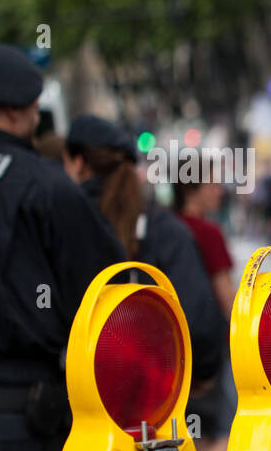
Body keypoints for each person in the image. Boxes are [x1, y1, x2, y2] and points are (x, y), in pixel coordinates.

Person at [0, 47, 123, 451]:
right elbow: (109, 295)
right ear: (13, 110)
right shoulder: (47, 188)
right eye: (31, 108)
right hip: (25, 429)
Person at [63, 116, 227, 393]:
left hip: (81, 395)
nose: (219, 191)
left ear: (79, 164)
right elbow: (203, 316)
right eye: (213, 183)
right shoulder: (169, 229)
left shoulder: (61, 219)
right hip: (158, 392)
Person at [171, 169, 236, 451]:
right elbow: (225, 294)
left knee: (193, 429)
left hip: (175, 341)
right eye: (212, 184)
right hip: (211, 344)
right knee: (229, 429)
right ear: (192, 189)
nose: (219, 190)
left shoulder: (164, 228)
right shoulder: (208, 233)